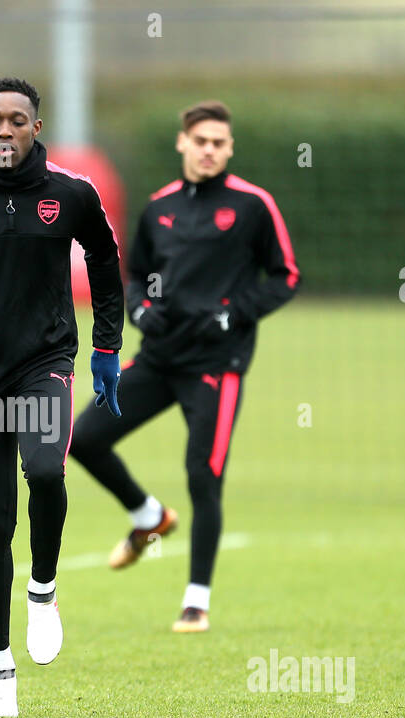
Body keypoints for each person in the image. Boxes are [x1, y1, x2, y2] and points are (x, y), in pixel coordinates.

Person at [0, 77, 124, 717]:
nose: (3, 130)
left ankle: (42, 589)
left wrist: (107, 348)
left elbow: (108, 267)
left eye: (16, 120)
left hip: (46, 363)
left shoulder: (71, 194)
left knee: (44, 470)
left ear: (37, 126)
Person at [69, 100, 300, 633]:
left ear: (230, 148)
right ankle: (148, 517)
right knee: (80, 439)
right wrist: (142, 310)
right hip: (158, 359)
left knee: (204, 473)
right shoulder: (159, 208)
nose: (209, 150)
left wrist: (233, 314)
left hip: (217, 366)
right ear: (183, 143)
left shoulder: (253, 206)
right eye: (201, 141)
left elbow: (286, 276)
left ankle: (196, 600)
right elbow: (134, 276)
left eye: (219, 143)